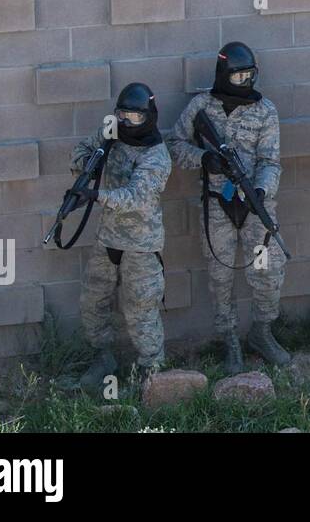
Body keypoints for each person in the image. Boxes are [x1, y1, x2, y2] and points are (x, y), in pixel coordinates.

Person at [168, 42, 288, 374]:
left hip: (255, 205)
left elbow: (271, 162)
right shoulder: (200, 107)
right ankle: (230, 339)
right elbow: (176, 145)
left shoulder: (265, 111)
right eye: (237, 76)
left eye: (249, 75)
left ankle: (262, 332)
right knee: (220, 276)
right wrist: (203, 158)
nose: (244, 81)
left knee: (267, 271)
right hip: (216, 205)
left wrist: (261, 191)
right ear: (223, 74)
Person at [77, 83, 172, 393]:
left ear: (149, 116)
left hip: (140, 246)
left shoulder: (157, 155)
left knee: (141, 310)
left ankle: (151, 374)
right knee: (94, 301)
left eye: (134, 117)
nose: (127, 123)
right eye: (122, 115)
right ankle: (102, 359)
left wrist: (94, 194)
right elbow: (79, 152)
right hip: (107, 239)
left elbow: (134, 197)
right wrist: (89, 165)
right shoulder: (111, 131)